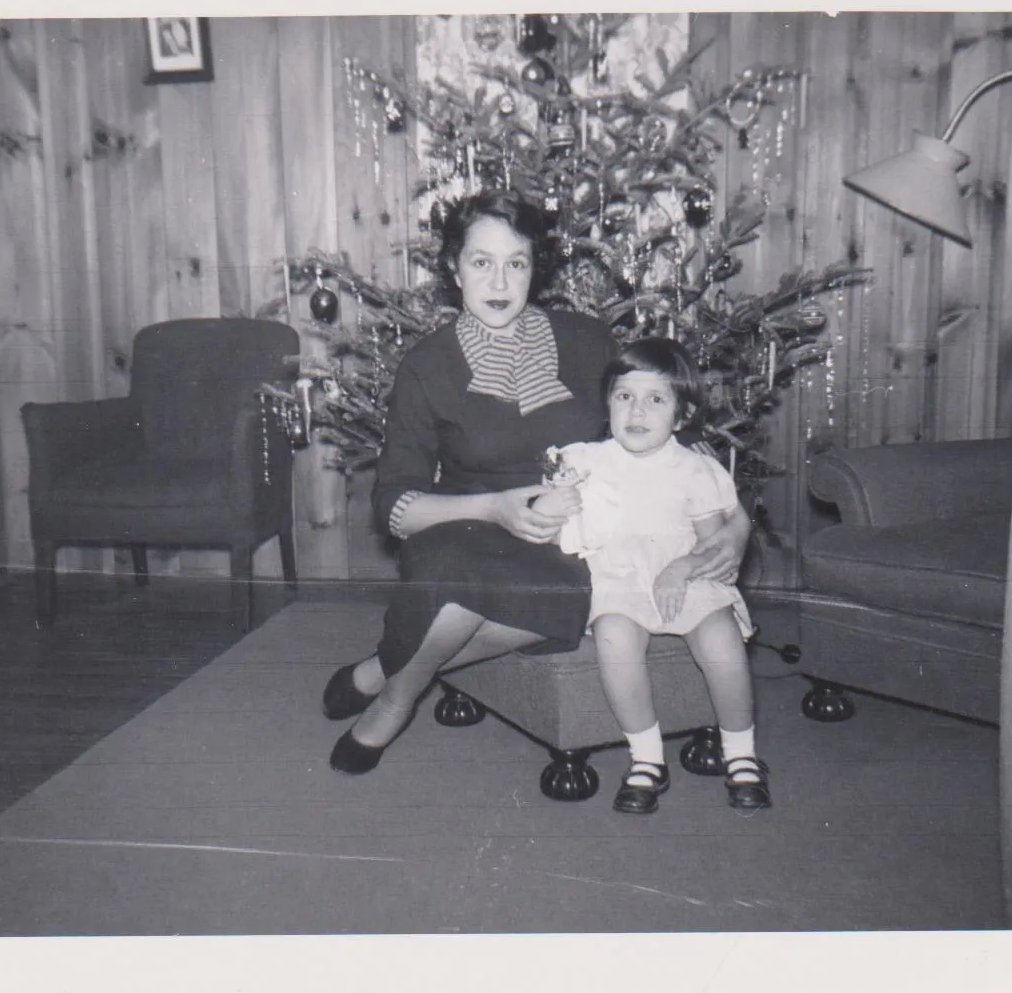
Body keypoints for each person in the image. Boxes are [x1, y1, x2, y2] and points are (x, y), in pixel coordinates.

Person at [320, 191, 751, 775]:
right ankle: (397, 702)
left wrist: (736, 524)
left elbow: (659, 422)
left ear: (534, 269)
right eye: (481, 262)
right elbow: (394, 506)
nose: (499, 281)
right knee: (457, 577)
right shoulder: (428, 365)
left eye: (516, 263)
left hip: (572, 532)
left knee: (576, 590)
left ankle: (385, 675)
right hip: (465, 523)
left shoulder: (585, 341)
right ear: (453, 268)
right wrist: (497, 508)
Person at [548, 338, 770, 814]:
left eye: (656, 399)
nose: (637, 411)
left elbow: (715, 543)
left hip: (685, 576)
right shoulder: (586, 460)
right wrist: (554, 499)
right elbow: (553, 511)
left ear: (682, 414)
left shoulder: (696, 470)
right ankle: (646, 756)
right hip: (620, 581)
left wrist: (682, 568)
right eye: (625, 396)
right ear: (608, 403)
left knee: (721, 640)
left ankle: (741, 752)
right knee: (614, 637)